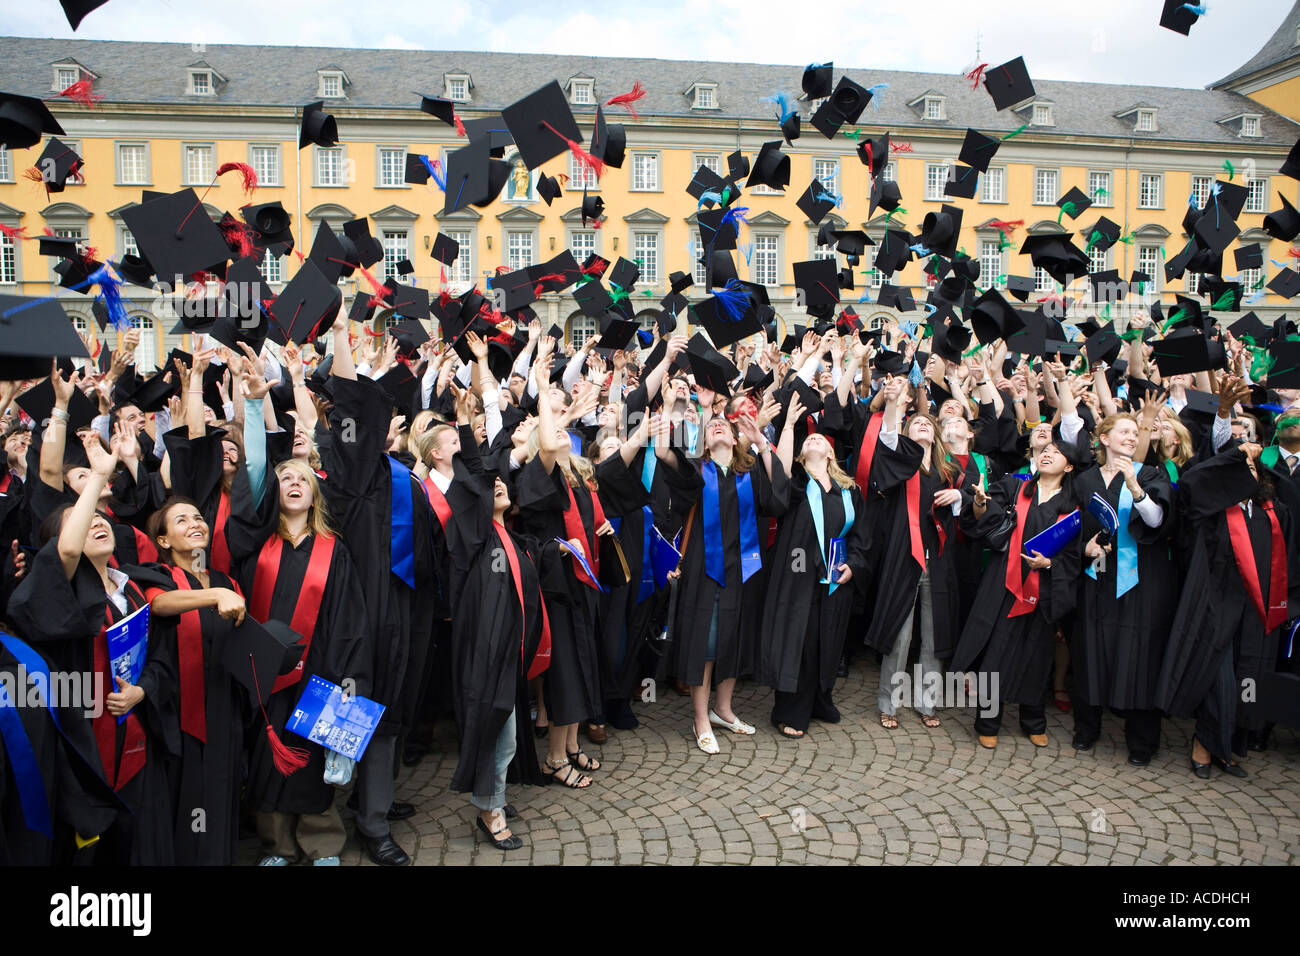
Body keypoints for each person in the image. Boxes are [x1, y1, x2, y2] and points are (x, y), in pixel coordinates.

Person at [225, 355, 372, 867]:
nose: (293, 483)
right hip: (264, 678)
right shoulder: (257, 545)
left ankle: (323, 845)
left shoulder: (334, 551)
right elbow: (253, 478)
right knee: (268, 762)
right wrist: (253, 401)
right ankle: (278, 847)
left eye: (302, 479)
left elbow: (351, 625)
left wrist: (346, 689)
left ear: (314, 493)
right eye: (285, 478)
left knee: (311, 763)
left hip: (320, 674)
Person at [7, 432, 175, 865]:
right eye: (85, 520)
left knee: (145, 841)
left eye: (102, 517)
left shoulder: (131, 590)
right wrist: (100, 474)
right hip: (87, 749)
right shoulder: (56, 592)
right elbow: (65, 548)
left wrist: (144, 689)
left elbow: (158, 656)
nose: (98, 521)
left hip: (138, 737)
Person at [1157, 443, 1298, 779]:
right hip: (1217, 608)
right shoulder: (1214, 513)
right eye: (1235, 472)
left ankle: (1230, 746)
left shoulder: (1275, 513)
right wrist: (1235, 456)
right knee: (1218, 682)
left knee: (1247, 682)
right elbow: (1192, 483)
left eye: (1250, 470)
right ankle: (1204, 744)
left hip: (1257, 614)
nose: (1244, 476)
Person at [513, 337, 609, 786]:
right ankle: (554, 757)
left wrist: (569, 409)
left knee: (582, 664)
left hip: (574, 582)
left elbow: (557, 440)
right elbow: (550, 444)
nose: (566, 440)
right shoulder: (536, 470)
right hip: (552, 582)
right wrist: (541, 382)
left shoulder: (565, 472)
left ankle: (570, 745)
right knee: (565, 672)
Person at [670, 397, 789, 754]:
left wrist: (762, 443)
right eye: (711, 427)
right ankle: (701, 717)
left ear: (737, 438)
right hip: (704, 569)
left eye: (725, 424)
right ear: (703, 442)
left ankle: (723, 710)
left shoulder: (749, 471)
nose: (719, 425)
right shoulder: (696, 471)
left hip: (744, 568)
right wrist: (705, 412)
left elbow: (778, 502)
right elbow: (674, 466)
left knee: (734, 639)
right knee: (705, 643)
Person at [952, 437, 1082, 747]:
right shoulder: (1016, 487)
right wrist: (981, 502)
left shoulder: (1073, 506)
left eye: (1056, 453)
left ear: (1070, 466)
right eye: (1045, 451)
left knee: (1037, 655)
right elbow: (985, 520)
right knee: (996, 652)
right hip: (1003, 582)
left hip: (1044, 588)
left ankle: (1033, 720)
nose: (1048, 454)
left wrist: (1050, 562)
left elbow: (1074, 554)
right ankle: (988, 721)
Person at [140, 496, 247, 865]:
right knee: (187, 799)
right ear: (164, 540)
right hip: (180, 710)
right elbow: (160, 605)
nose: (195, 523)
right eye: (181, 520)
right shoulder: (159, 577)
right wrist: (214, 596)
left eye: (199, 517)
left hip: (224, 704)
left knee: (221, 794)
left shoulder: (225, 579)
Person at [758, 392, 869, 738]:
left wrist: (854, 564)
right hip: (798, 575)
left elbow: (862, 536)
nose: (816, 438)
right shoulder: (796, 485)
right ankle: (789, 709)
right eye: (810, 439)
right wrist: (789, 427)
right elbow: (777, 477)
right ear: (803, 454)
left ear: (832, 452)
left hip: (836, 578)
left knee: (828, 641)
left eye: (821, 437)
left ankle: (821, 698)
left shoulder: (849, 491)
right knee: (800, 641)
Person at [1070, 411, 1175, 766]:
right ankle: (1087, 728)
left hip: (1141, 581)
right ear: (1104, 438)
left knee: (1141, 655)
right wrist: (1085, 547)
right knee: (1090, 650)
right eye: (1124, 432)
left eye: (1135, 433)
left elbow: (1158, 521)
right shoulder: (1084, 481)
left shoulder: (1151, 474)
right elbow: (1070, 526)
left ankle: (1142, 741)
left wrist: (1135, 487)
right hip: (1097, 578)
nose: (1132, 437)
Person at [868, 377, 963, 731]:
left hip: (938, 560)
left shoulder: (948, 471)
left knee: (934, 634)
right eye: (916, 422)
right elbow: (888, 440)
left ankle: (927, 702)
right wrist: (894, 404)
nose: (923, 424)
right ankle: (888, 703)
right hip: (904, 558)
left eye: (928, 423)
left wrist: (959, 499)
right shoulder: (899, 464)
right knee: (900, 633)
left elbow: (970, 509)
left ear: (937, 435)